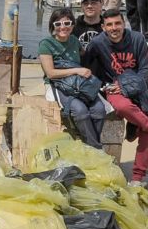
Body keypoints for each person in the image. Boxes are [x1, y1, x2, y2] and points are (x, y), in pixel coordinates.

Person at [85, 10, 148, 186]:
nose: (114, 28)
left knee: (147, 125)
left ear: (124, 23)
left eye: (118, 23)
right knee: (122, 107)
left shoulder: (137, 39)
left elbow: (144, 71)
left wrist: (126, 86)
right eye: (110, 25)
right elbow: (88, 69)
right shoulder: (97, 44)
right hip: (113, 86)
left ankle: (137, 179)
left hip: (138, 85)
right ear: (104, 27)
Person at [38, 8, 106, 149]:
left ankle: (89, 147)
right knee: (80, 110)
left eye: (67, 23)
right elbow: (50, 73)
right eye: (58, 24)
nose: (63, 27)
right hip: (57, 84)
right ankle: (95, 149)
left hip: (77, 83)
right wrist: (77, 70)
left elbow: (87, 55)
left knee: (99, 109)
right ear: (53, 26)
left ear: (73, 25)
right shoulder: (46, 44)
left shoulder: (75, 41)